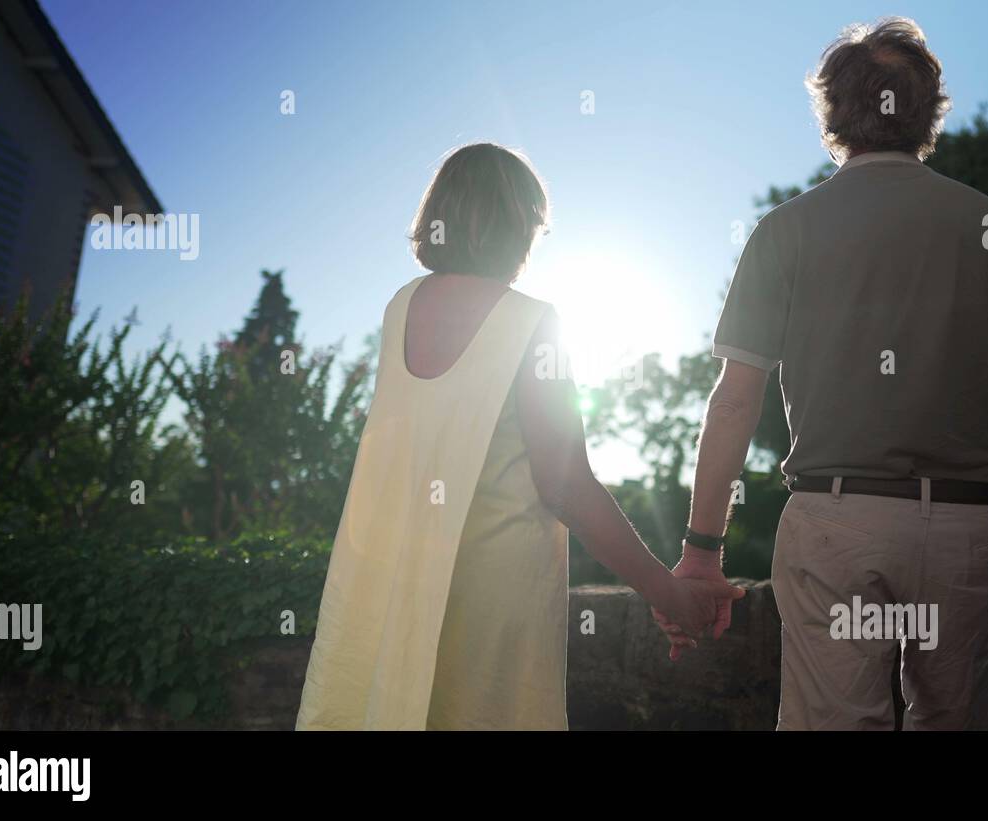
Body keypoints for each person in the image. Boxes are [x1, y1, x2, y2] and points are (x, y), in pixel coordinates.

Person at [654, 18, 988, 730]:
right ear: (929, 109)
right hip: (975, 526)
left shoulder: (785, 229)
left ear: (833, 112)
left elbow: (734, 403)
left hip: (838, 521)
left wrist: (701, 550)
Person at [296, 142, 744, 730]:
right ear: (520, 225)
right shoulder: (535, 322)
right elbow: (564, 483)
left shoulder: (400, 308)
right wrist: (667, 592)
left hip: (394, 586)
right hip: (492, 605)